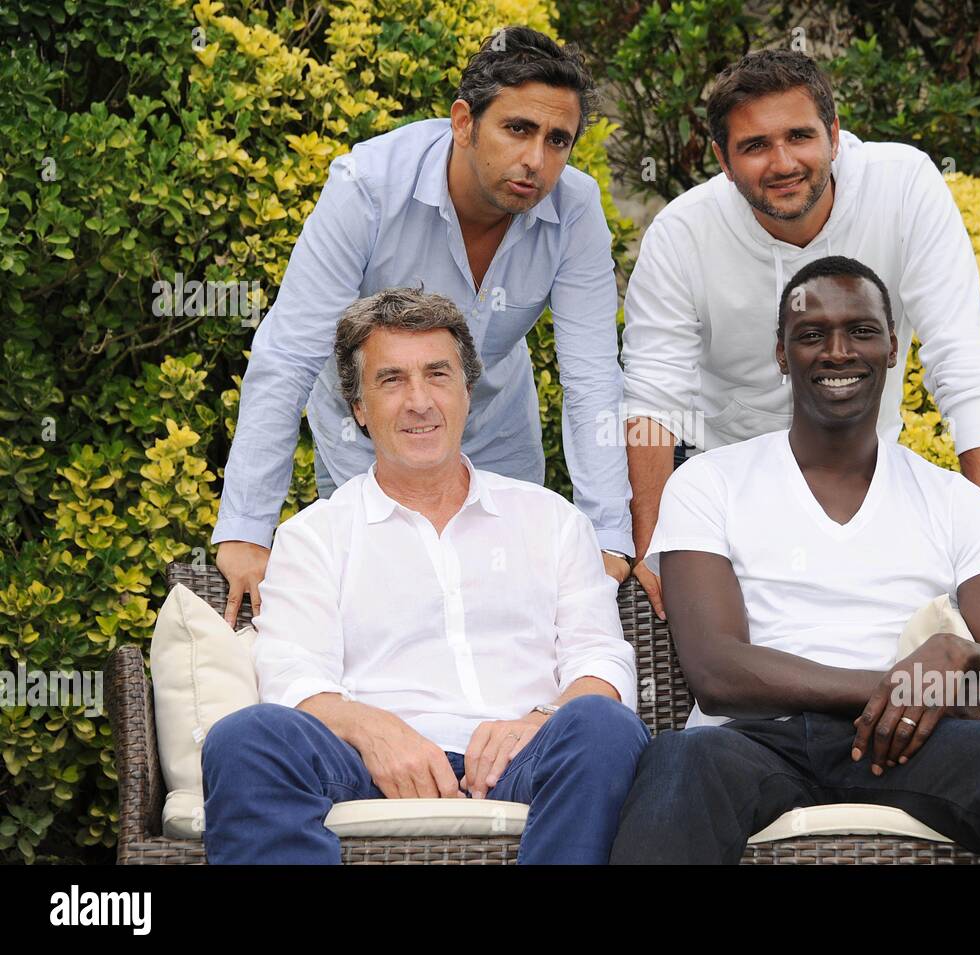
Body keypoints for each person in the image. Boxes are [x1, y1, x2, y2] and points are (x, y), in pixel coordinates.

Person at [610, 257, 980, 865]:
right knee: (676, 762)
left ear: (891, 347)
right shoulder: (708, 482)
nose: (838, 352)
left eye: (861, 331)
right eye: (811, 335)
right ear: (782, 354)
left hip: (920, 740)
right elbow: (717, 673)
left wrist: (958, 657)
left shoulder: (954, 500)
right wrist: (915, 689)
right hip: (755, 741)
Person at [202, 288, 648, 865]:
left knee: (601, 726)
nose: (419, 401)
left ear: (467, 393)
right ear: (358, 407)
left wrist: (539, 721)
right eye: (391, 380)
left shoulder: (552, 520)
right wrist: (375, 730)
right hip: (364, 764)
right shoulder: (314, 536)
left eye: (438, 375)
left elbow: (600, 662)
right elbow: (294, 677)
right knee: (246, 739)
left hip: (526, 757)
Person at [213, 26, 634, 628]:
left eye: (558, 140)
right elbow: (289, 356)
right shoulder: (366, 188)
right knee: (383, 610)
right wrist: (249, 528)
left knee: (502, 611)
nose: (537, 160)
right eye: (518, 129)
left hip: (496, 432)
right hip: (371, 432)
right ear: (464, 122)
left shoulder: (575, 209)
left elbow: (592, 376)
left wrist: (607, 534)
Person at [620, 49, 980, 619]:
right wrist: (655, 552)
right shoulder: (681, 234)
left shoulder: (903, 186)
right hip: (724, 478)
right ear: (722, 161)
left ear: (833, 133)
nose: (782, 163)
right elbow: (655, 399)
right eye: (754, 146)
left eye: (799, 136)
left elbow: (965, 365)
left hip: (869, 468)